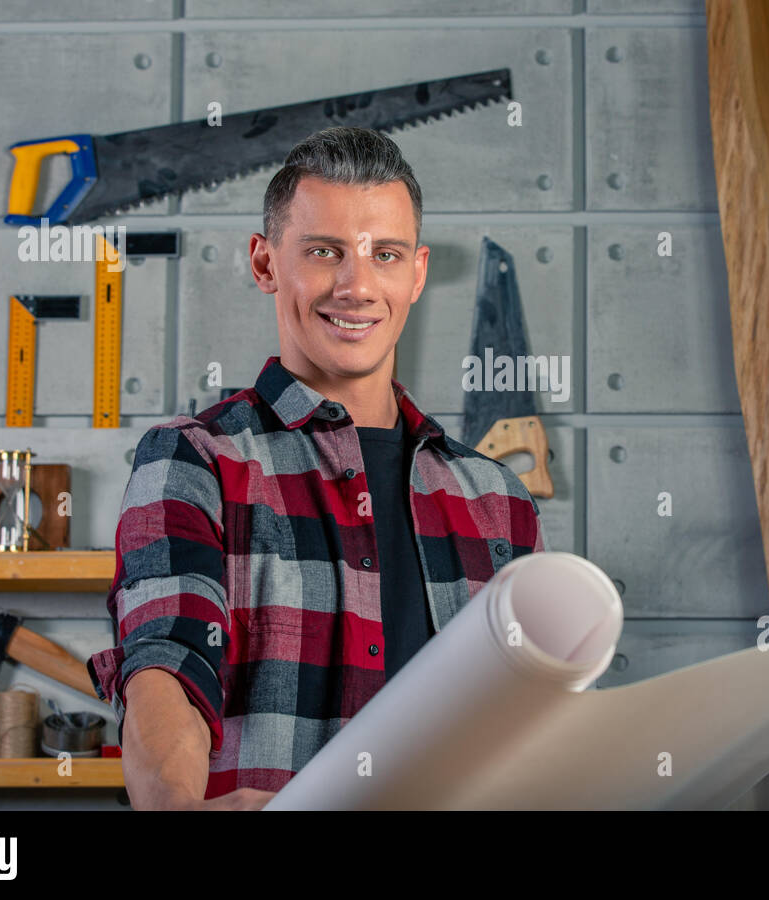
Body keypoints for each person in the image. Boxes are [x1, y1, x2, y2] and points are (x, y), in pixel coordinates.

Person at [87, 127, 546, 809]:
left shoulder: (497, 501)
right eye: (325, 251)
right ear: (266, 264)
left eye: (384, 254)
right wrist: (178, 806)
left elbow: (539, 724)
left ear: (416, 274)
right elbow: (167, 665)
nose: (357, 285)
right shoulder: (196, 460)